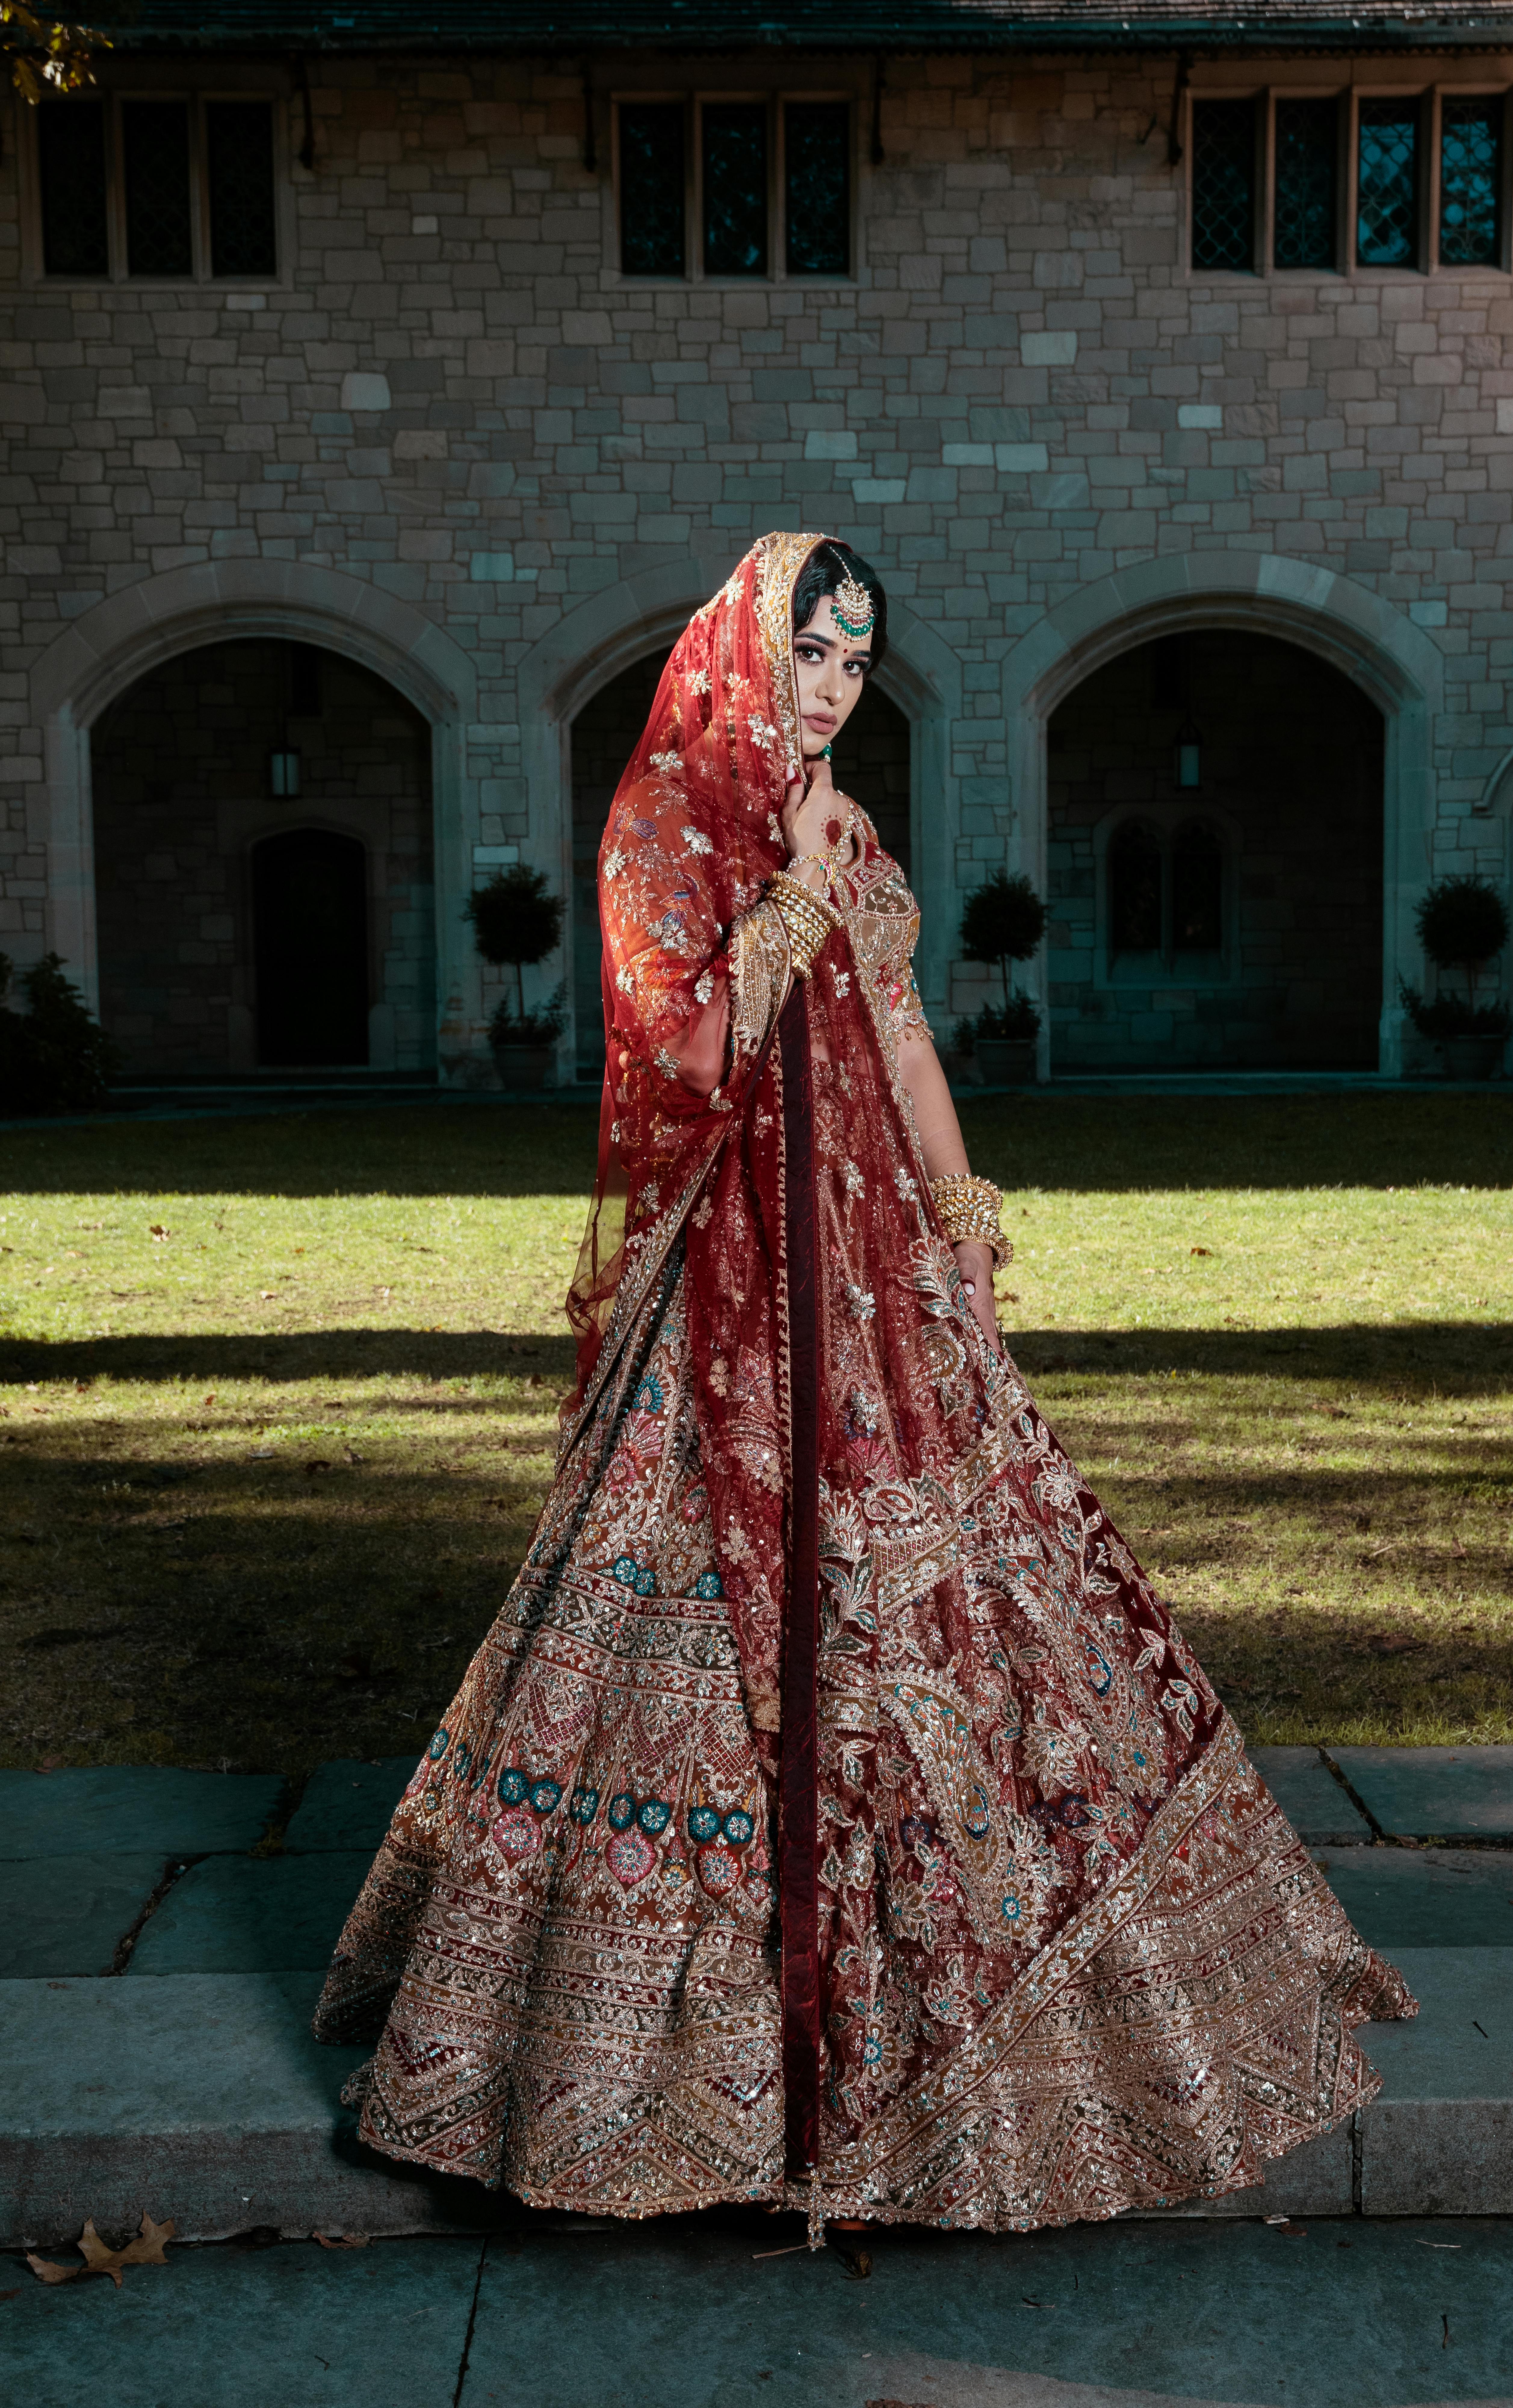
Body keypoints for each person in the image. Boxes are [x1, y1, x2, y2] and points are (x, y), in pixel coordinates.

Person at [315, 531, 1413, 2242]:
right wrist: (792, 893)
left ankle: (1003, 2002)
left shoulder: (854, 830)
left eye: (854, 662)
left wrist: (962, 1236)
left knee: (985, 1592)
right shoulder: (663, 825)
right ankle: (635, 2065)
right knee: (672, 1621)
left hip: (876, 1271)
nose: (831, 688)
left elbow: (904, 1042)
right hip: (728, 1286)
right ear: (744, 650)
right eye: (810, 652)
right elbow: (685, 1053)